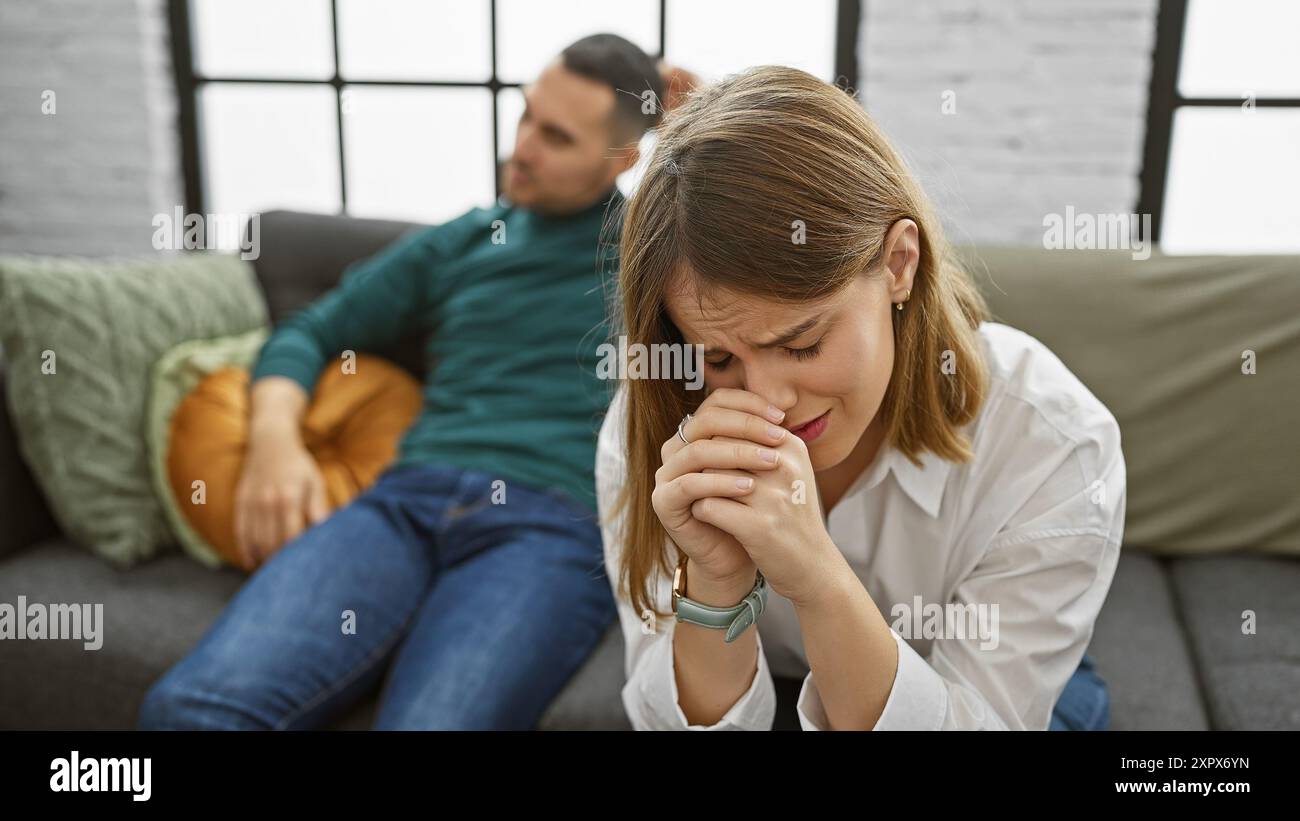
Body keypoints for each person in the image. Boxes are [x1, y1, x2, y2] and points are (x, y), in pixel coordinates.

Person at [138, 34, 670, 730]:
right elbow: (309, 330)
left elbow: (767, 230)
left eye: (557, 137)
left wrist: (697, 115)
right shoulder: (464, 240)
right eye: (526, 117)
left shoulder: (655, 252)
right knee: (186, 712)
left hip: (549, 526)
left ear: (621, 159)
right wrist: (274, 441)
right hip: (404, 500)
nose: (523, 147)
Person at [598, 65, 1125, 730]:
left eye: (803, 343)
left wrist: (817, 579)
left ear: (899, 264)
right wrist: (714, 581)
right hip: (776, 672)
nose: (771, 400)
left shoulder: (1052, 440)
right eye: (720, 357)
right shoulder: (652, 422)